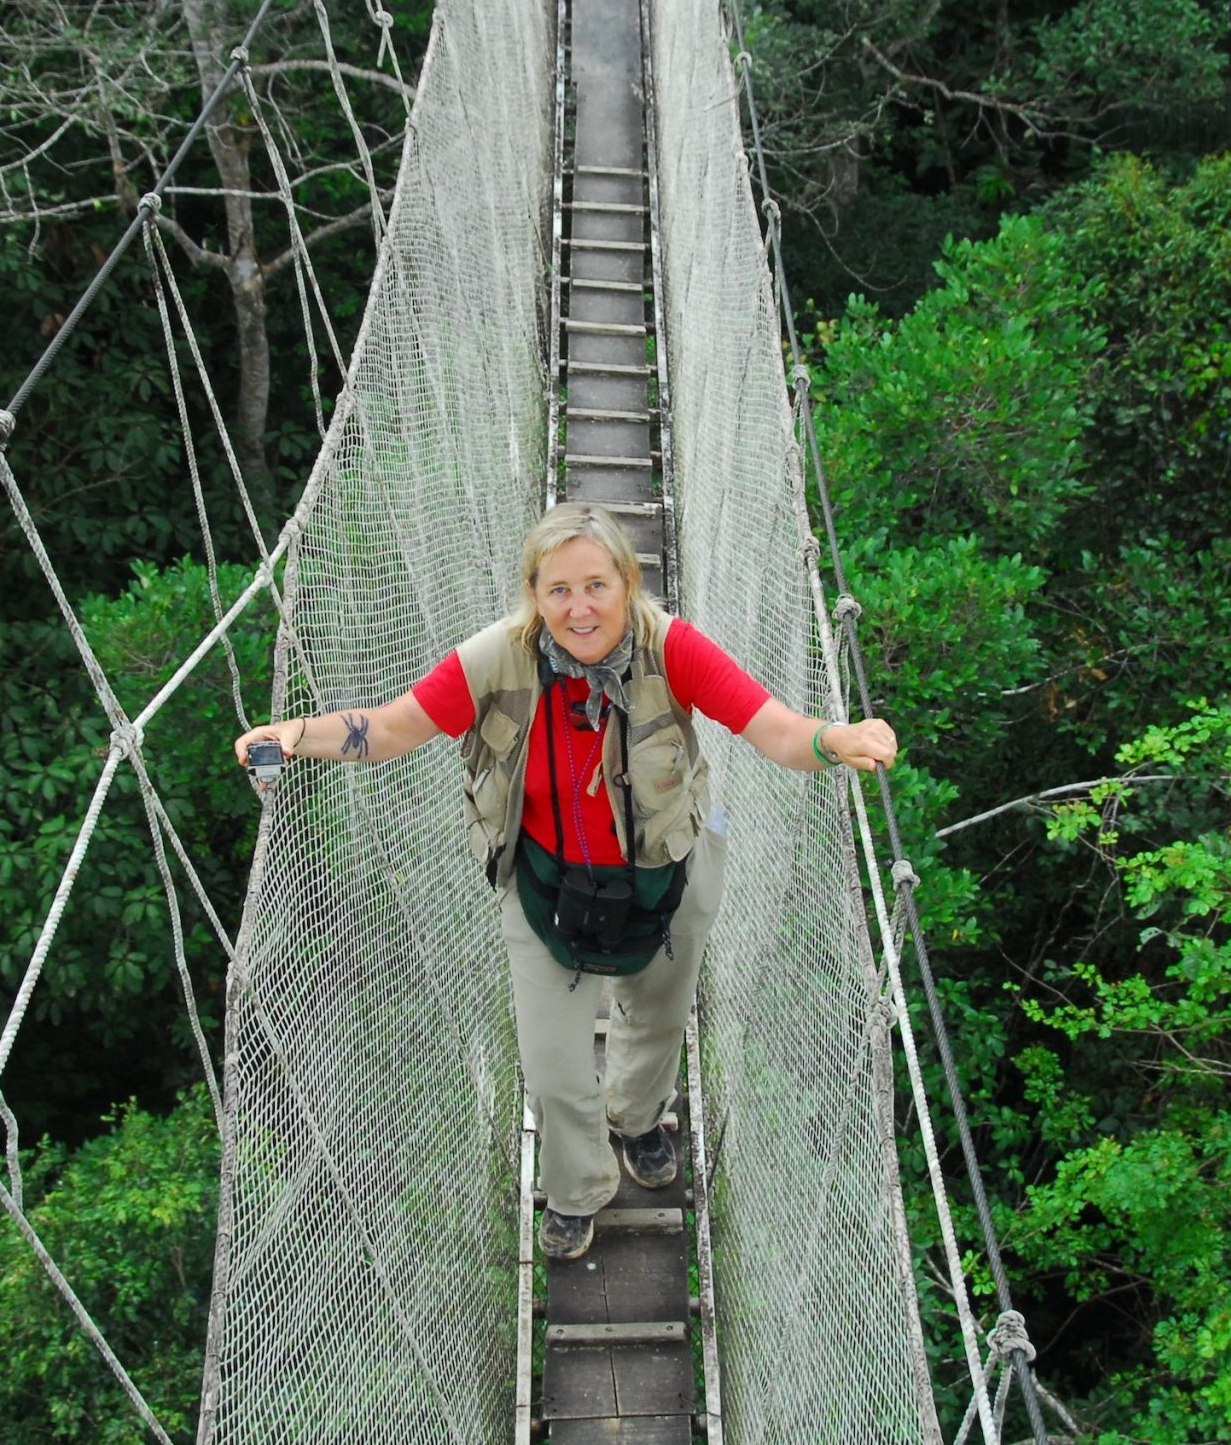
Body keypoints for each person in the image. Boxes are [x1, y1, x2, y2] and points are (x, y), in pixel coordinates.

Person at [233, 502, 896, 1259]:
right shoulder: (496, 658)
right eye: (558, 590)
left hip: (667, 871)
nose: (579, 608)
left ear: (628, 582)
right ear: (533, 595)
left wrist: (834, 739)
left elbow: (772, 728)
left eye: (596, 585)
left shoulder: (672, 648)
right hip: (546, 882)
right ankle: (579, 1186)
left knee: (657, 1019)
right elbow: (389, 728)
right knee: (552, 1064)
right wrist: (297, 734)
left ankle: (639, 1117)